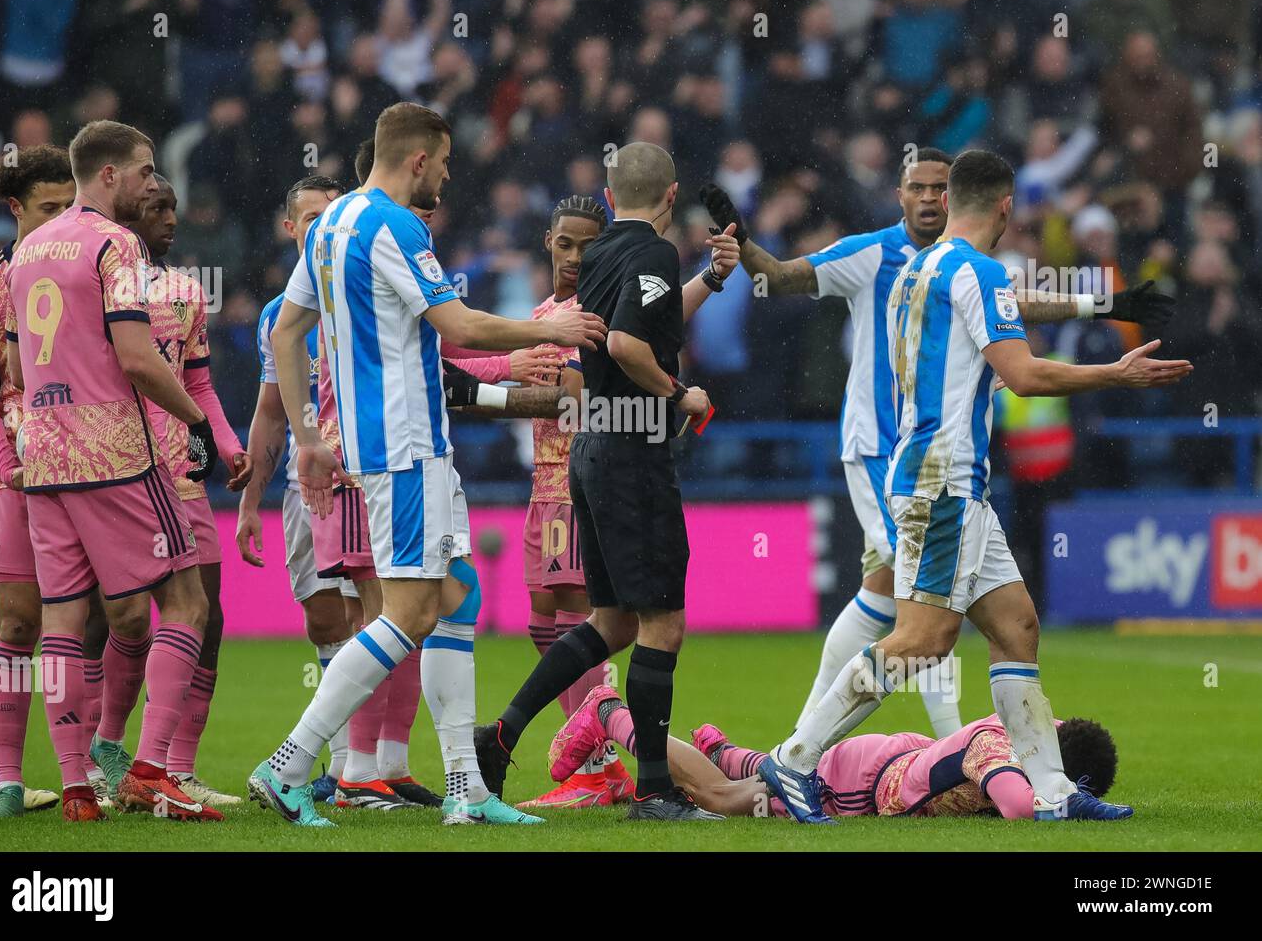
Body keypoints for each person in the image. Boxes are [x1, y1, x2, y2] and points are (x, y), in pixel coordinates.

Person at [760, 149, 1191, 823]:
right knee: (919, 643)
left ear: (955, 198)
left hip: (948, 480)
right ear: (1006, 207)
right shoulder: (977, 271)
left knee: (1016, 626)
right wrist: (1115, 374)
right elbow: (1021, 374)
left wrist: (1100, 302)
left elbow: (1005, 312)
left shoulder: (921, 268)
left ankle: (1052, 794)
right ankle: (793, 758)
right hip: (943, 480)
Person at [248, 101, 607, 827]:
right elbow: (458, 324)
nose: (445, 177)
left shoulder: (330, 227)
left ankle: (464, 787)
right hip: (404, 446)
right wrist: (557, 327)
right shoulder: (394, 224)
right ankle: (289, 765)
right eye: (443, 164)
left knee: (458, 599)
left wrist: (311, 433)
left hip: (398, 445)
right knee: (408, 613)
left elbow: (288, 331)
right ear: (418, 159)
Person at [474, 141, 742, 822]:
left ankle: (499, 735)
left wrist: (710, 279)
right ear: (673, 195)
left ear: (613, 196)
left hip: (589, 450)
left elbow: (638, 321)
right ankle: (654, 791)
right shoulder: (653, 251)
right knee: (663, 622)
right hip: (631, 452)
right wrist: (682, 393)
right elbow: (627, 345)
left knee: (612, 621)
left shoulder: (599, 259)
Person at [5, 119, 223, 822]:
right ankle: (152, 769)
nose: (151, 182)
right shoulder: (115, 241)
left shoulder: (30, 247)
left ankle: (75, 787)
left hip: (43, 453)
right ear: (108, 175)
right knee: (187, 601)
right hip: (113, 450)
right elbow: (135, 356)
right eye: (143, 169)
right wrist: (194, 420)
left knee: (65, 620)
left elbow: (13, 366)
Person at [236, 174, 362, 803]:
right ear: (291, 228)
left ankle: (356, 771)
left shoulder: (361, 290)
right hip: (302, 486)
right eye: (306, 218)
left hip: (364, 472)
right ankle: (345, 770)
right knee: (323, 618)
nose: (316, 228)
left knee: (373, 613)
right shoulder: (276, 316)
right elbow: (269, 413)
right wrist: (250, 499)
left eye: (327, 217)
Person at [546, 685, 1122, 821]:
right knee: (723, 801)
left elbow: (1060, 721)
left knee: (766, 770)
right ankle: (609, 713)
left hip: (895, 760)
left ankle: (725, 750)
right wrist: (1070, 799)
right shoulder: (998, 751)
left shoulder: (1024, 730)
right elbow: (1020, 807)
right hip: (864, 785)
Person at [513, 195, 637, 810]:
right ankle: (589, 751)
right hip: (543, 485)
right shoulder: (544, 315)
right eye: (565, 243)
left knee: (580, 621)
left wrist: (473, 394)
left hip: (581, 483)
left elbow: (575, 403)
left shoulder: (601, 314)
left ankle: (601, 766)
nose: (574, 257)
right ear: (548, 241)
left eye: (588, 246)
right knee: (543, 621)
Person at [0, 145, 74, 818]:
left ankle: (93, 775)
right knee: (18, 622)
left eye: (71, 206)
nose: (62, 219)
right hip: (23, 483)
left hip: (97, 472)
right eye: (48, 209)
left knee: (106, 624)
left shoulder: (97, 267)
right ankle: (1, 777)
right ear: (16, 210)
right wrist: (9, 467)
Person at [132, 175, 250, 806]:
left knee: (208, 618)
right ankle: (102, 762)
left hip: (183, 476)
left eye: (174, 208)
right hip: (117, 471)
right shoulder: (101, 287)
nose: (170, 219)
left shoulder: (184, 293)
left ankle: (177, 770)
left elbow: (198, 387)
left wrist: (229, 447)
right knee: (116, 622)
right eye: (156, 209)